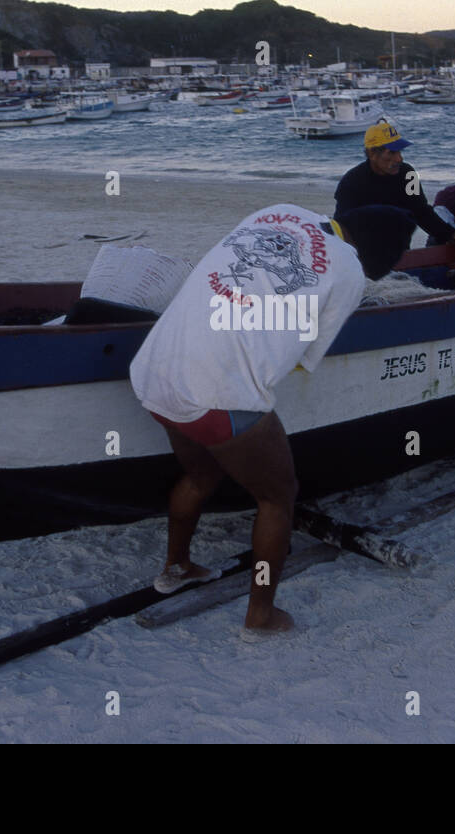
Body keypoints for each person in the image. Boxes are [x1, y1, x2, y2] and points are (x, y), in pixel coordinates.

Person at [130, 204, 416, 638]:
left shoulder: (277, 212)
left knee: (200, 473)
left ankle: (177, 568)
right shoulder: (349, 271)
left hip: (153, 372)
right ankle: (260, 616)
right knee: (278, 498)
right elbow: (307, 356)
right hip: (216, 397)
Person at [334, 123, 455, 257]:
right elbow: (342, 227)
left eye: (400, 151)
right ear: (372, 154)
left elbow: (422, 212)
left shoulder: (408, 174)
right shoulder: (351, 183)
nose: (399, 159)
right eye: (391, 153)